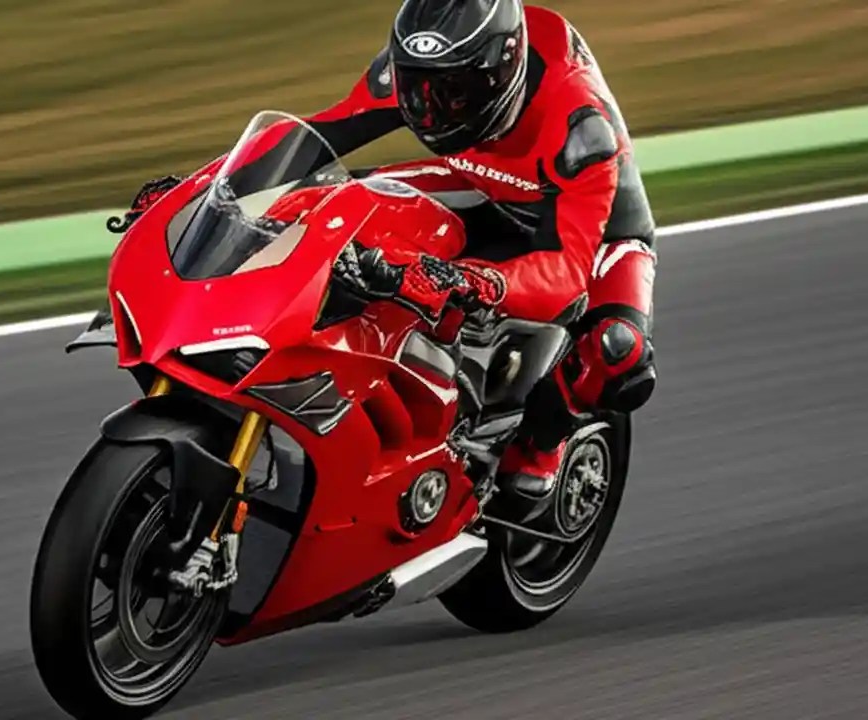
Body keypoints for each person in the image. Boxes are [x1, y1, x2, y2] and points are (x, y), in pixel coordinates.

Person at [123, 0, 657, 500]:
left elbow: (566, 272)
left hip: (588, 229)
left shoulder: (580, 127)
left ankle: (542, 447)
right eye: (415, 88)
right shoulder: (420, 70)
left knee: (618, 348)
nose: (427, 109)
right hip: (479, 183)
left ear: (501, 74)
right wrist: (204, 188)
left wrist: (474, 281)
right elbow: (316, 138)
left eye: (450, 92)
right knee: (329, 202)